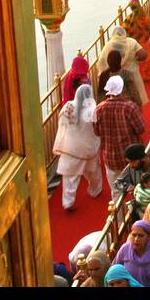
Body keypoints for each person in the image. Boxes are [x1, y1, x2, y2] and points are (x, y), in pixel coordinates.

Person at [52, 83, 102, 212]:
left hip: (70, 148)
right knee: (93, 172)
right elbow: (97, 127)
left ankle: (68, 203)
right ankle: (95, 191)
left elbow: (62, 123)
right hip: (88, 148)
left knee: (69, 177)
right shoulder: (92, 110)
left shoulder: (68, 107)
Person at [95, 76, 145, 203]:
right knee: (137, 189)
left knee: (116, 191)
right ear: (121, 89)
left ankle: (119, 219)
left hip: (110, 157)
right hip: (131, 158)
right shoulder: (129, 107)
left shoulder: (99, 109)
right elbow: (140, 128)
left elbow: (96, 132)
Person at [113, 220, 150, 287]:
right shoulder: (125, 249)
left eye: (141, 236)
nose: (136, 239)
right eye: (134, 235)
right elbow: (114, 272)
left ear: (148, 237)